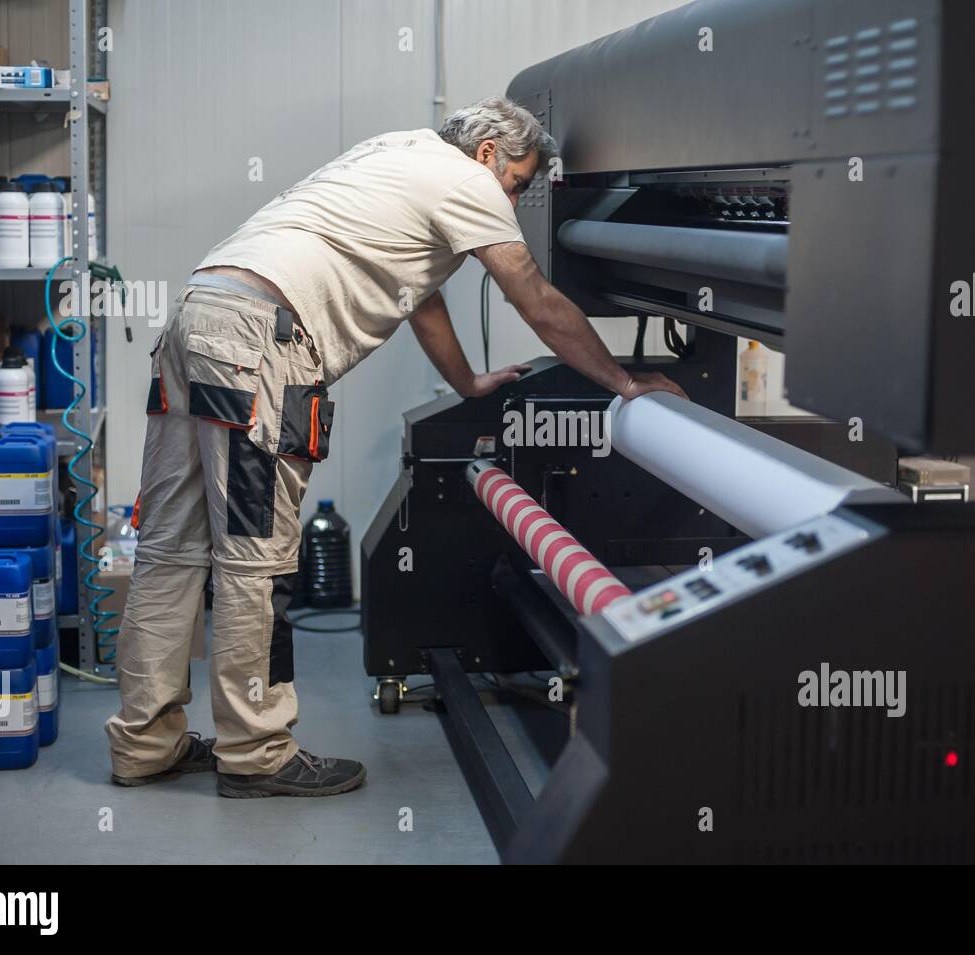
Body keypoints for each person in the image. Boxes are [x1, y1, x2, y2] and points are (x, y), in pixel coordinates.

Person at [105, 96, 686, 798]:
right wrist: (625, 382)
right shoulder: (469, 183)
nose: (513, 197)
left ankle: (145, 742)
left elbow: (423, 298)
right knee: (253, 559)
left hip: (197, 317)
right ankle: (255, 752)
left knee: (169, 546)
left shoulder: (397, 154)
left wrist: (468, 381)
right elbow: (531, 294)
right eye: (517, 181)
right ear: (487, 154)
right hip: (257, 347)